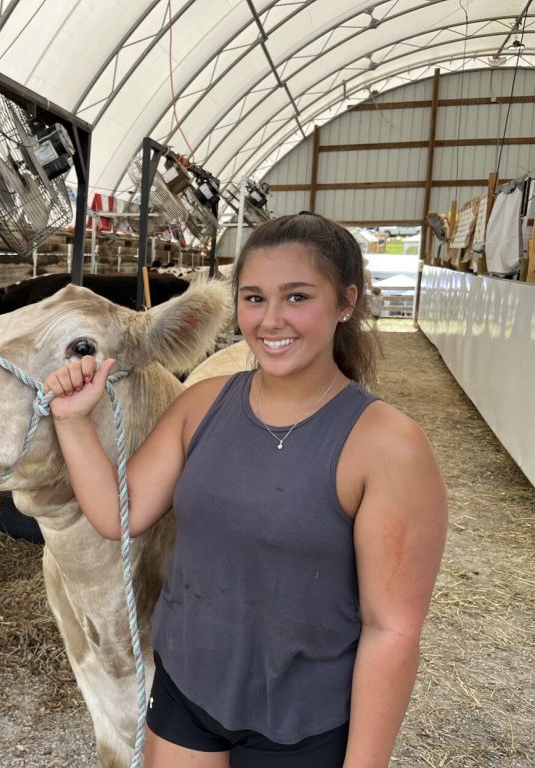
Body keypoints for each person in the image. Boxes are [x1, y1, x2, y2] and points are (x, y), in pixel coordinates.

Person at [44, 212, 447, 767]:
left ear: (346, 301)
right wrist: (71, 421)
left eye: (297, 297)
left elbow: (391, 631)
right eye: (254, 298)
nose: (271, 320)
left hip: (304, 721)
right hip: (188, 692)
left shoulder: (389, 446)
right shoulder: (201, 405)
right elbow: (121, 514)